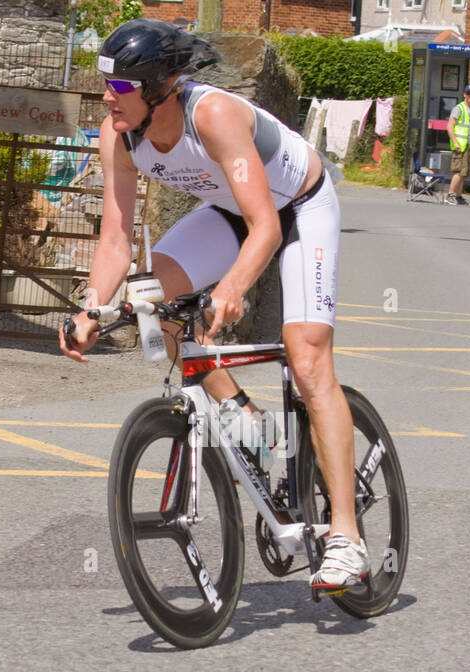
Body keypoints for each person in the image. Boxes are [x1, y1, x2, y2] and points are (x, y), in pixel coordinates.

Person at [59, 19, 369, 590]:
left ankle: (345, 537)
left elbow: (267, 226)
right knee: (153, 301)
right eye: (106, 84)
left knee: (307, 359)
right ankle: (246, 421)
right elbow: (114, 240)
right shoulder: (118, 134)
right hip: (231, 214)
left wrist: (233, 286)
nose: (106, 97)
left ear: (158, 89)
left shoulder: (214, 115)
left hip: (297, 209)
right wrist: (91, 310)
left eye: (119, 86)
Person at [447, 84, 470, 206]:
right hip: (460, 145)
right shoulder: (459, 108)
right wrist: (455, 142)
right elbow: (450, 126)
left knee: (464, 172)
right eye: (469, 93)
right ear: (464, 95)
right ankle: (450, 194)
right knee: (458, 171)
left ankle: (458, 196)